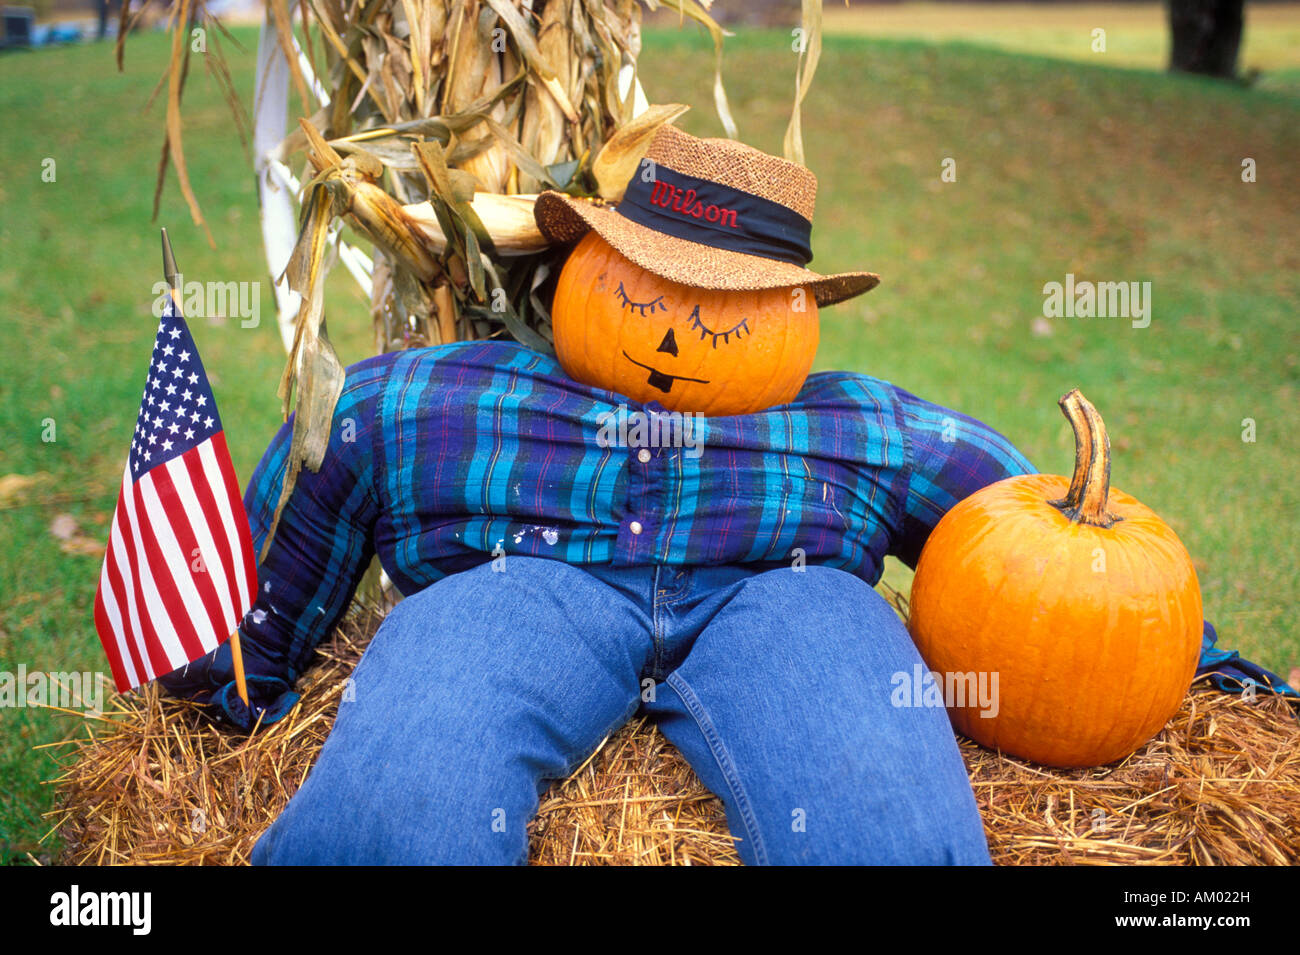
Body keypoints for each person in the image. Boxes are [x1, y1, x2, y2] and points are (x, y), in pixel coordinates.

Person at [160, 127, 1293, 865]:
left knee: (883, 826)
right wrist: (232, 673)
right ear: (576, 268)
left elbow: (1057, 549)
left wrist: (1206, 670)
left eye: (729, 309)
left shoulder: (860, 426)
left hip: (787, 605)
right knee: (403, 793)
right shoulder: (422, 402)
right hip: (522, 590)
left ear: (794, 313)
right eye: (643, 287)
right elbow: (308, 502)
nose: (678, 332)